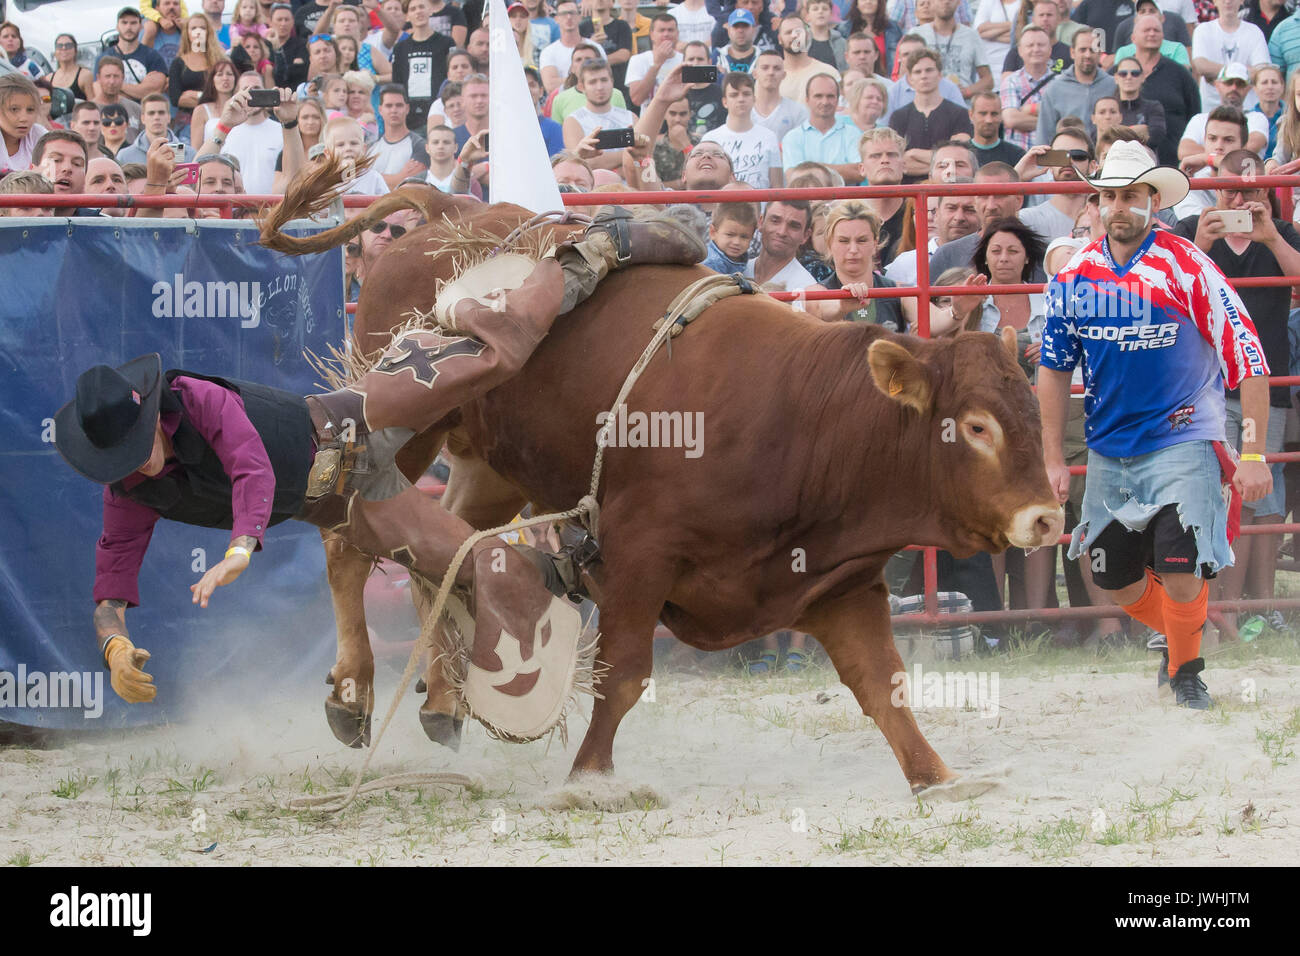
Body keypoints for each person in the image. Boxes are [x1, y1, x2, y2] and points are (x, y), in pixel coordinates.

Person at [55, 210, 706, 711]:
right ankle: (568, 570)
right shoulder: (129, 490)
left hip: (356, 421)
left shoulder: (193, 400)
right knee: (464, 563)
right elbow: (111, 577)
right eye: (120, 461)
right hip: (342, 502)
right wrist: (113, 645)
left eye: (136, 450)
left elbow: (251, 466)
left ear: (150, 419)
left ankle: (591, 251)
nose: (134, 468)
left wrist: (239, 545)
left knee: (491, 357)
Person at [1038, 140, 1272, 709]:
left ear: (1153, 200)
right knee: (1112, 574)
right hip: (1108, 447)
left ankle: (1187, 673)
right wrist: (1049, 457)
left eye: (1131, 196)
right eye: (1109, 196)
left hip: (1186, 438)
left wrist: (1256, 452)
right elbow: (1052, 367)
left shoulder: (1189, 265)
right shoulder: (1075, 277)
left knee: (1181, 564)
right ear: (1096, 203)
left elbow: (1248, 356)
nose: (1119, 207)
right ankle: (1179, 632)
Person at [1174, 148, 1300, 639]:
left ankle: (1260, 606)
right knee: (1215, 492)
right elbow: (1177, 292)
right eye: (1232, 189)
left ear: (1267, 192)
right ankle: (1221, 608)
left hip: (1263, 387)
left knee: (1262, 496)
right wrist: (1202, 244)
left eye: (1250, 189)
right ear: (1218, 192)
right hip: (1206, 384)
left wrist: (1270, 233)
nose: (1241, 198)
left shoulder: (1282, 233)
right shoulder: (1191, 232)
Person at [816, 199, 913, 331]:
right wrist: (841, 305)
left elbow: (935, 321)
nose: (853, 249)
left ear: (875, 244)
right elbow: (819, 308)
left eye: (861, 240)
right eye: (844, 241)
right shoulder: (815, 292)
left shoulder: (899, 290)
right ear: (829, 244)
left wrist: (952, 312)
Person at [1124, 10, 1202, 165]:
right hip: (1126, 162)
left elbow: (1195, 117)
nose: (1152, 34)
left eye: (1157, 30)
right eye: (1146, 30)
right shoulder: (1119, 73)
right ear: (1133, 38)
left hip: (1172, 162)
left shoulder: (1180, 74)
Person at [199, 78, 301, 195]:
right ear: (236, 94)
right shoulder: (219, 126)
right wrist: (224, 126)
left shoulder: (282, 129)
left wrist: (290, 123)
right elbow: (195, 174)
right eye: (246, 90)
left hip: (268, 209)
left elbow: (294, 179)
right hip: (231, 209)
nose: (252, 95)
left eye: (257, 89)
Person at [930, 160, 1031, 275]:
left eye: (1000, 196)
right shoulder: (947, 254)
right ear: (974, 202)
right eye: (983, 196)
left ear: (1019, 200)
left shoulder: (1041, 253)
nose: (991, 206)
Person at [889, 48, 975, 179]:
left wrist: (913, 154)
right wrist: (941, 163)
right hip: (909, 192)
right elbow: (898, 163)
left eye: (929, 70)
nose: (924, 76)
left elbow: (958, 157)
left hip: (947, 190)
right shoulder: (898, 117)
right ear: (910, 79)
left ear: (939, 75)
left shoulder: (959, 113)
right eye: (918, 72)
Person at [885, 183, 982, 283]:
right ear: (936, 214)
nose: (959, 217)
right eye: (951, 208)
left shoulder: (992, 256)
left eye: (969, 210)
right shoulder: (905, 263)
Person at [1036, 27, 1117, 145]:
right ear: (1072, 52)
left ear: (1099, 53)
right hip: (1069, 158)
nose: (1088, 55)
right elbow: (1044, 135)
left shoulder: (1113, 85)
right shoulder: (1055, 89)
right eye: (1082, 49)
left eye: (1092, 50)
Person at [700, 72, 783, 188]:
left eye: (746, 94)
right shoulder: (710, 139)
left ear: (754, 99)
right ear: (724, 101)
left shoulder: (769, 137)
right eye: (734, 95)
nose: (741, 99)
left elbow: (777, 185)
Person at [1016, 127, 1097, 239]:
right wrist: (1017, 176)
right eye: (1059, 156)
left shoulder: (1104, 218)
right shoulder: (1028, 220)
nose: (1068, 161)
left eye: (1078, 155)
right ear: (1050, 165)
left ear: (1092, 166)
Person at [782, 73, 864, 180]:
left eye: (830, 96)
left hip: (845, 197)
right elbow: (793, 177)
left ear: (837, 99)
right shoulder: (793, 137)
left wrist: (811, 168)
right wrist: (840, 170)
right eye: (818, 96)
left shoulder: (853, 133)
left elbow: (859, 172)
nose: (825, 102)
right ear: (807, 100)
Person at [1173, 105, 1249, 218]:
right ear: (1204, 141)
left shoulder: (1253, 180)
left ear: (1243, 147)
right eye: (1212, 139)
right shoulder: (1192, 185)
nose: (1219, 146)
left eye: (1228, 140)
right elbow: (1199, 226)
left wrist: (1208, 158)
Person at [1179, 64, 1270, 157]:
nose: (1234, 88)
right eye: (1229, 83)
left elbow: (1251, 146)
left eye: (1240, 84)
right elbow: (1184, 150)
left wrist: (1208, 157)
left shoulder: (1257, 118)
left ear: (1248, 88)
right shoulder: (1199, 119)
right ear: (1217, 85)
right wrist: (1218, 157)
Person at [1192, 0, 1269, 109]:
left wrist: (1217, 74)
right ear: (1214, 2)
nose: (1228, 1)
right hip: (1210, 109)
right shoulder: (1203, 30)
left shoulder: (1254, 32)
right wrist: (1243, 74)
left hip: (1247, 109)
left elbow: (1261, 72)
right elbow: (1201, 66)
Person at [391, 0, 456, 130]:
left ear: (431, 10)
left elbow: (452, 78)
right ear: (407, 16)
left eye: (422, 7)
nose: (418, 11)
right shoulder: (400, 48)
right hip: (410, 118)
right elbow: (397, 83)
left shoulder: (446, 43)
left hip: (439, 112)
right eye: (413, 9)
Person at [561, 59, 637, 171]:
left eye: (604, 80)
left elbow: (645, 157)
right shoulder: (573, 121)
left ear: (612, 82)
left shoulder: (631, 117)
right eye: (592, 82)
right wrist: (631, 153)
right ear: (582, 87)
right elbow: (584, 164)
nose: (600, 87)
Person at [915, 0, 994, 101]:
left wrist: (966, 92)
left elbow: (988, 80)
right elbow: (904, 76)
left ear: (959, 2)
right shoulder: (917, 34)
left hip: (961, 107)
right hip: (926, 106)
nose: (946, 2)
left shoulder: (971, 36)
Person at [1000, 25, 1060, 150]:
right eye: (1030, 45)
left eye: (1041, 45)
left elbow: (1065, 120)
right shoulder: (1011, 81)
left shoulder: (1060, 82)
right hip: (1019, 156)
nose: (1036, 49)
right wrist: (1050, 121)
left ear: (1050, 50)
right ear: (1020, 51)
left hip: (1053, 156)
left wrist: (1027, 110)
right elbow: (1011, 119)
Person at [746, 199, 824, 291]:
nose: (782, 232)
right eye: (775, 221)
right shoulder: (736, 270)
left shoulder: (805, 287)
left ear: (805, 235)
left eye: (793, 226)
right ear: (761, 222)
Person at [857, 126, 910, 261]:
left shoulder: (917, 210)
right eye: (876, 156)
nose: (885, 160)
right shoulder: (850, 213)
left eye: (891, 154)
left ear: (903, 165)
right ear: (862, 168)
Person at [97, 8, 169, 103]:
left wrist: (117, 86)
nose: (128, 27)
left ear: (141, 26)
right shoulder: (103, 58)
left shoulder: (153, 56)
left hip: (145, 115)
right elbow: (99, 94)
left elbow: (153, 92)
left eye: (133, 23)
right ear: (117, 26)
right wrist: (140, 89)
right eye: (124, 23)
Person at [169, 14, 224, 127]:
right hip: (186, 124)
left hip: (216, 119)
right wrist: (210, 99)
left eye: (202, 28)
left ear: (208, 32)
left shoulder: (221, 61)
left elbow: (224, 95)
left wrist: (198, 95)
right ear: (187, 33)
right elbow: (176, 99)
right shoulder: (178, 63)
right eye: (193, 28)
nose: (198, 32)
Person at [371, 85, 430, 188]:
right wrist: (400, 176)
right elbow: (361, 180)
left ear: (407, 108)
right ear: (380, 110)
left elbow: (410, 184)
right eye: (389, 106)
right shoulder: (370, 147)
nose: (394, 110)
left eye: (399, 105)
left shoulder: (420, 146)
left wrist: (373, 177)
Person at [541, 0, 605, 93]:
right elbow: (550, 86)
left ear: (579, 17)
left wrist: (566, 80)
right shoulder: (548, 52)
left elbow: (605, 78)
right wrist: (589, 77)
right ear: (556, 19)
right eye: (563, 14)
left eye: (572, 13)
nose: (569, 17)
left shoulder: (595, 47)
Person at [777, 16, 841, 104]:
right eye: (788, 32)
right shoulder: (771, 75)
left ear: (807, 35)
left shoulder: (828, 72)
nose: (794, 36)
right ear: (780, 39)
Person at [118, 93, 197, 164]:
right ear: (142, 118)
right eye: (151, 113)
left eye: (161, 113)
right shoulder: (124, 156)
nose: (156, 117)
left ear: (169, 117)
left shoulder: (189, 154)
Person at [751, 49, 809, 142]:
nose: (771, 73)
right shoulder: (742, 110)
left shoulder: (797, 111)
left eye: (777, 68)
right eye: (765, 68)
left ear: (784, 75)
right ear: (755, 74)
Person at [627, 14, 683, 107]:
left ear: (677, 34)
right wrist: (657, 64)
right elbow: (637, 99)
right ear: (652, 34)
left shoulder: (685, 59)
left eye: (670, 30)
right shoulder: (638, 60)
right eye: (661, 30)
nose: (666, 34)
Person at [1002, 0, 1072, 75]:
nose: (1045, 19)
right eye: (1041, 15)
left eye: (1049, 15)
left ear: (1058, 19)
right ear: (1033, 20)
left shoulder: (1069, 54)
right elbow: (1007, 82)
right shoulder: (1017, 53)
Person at [580, 0, 634, 95]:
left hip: (618, 86)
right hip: (589, 87)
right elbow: (578, 55)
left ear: (612, 3)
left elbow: (624, 55)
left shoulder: (622, 26)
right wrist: (591, 43)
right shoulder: (581, 27)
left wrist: (595, 62)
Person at [1113, 54, 1168, 143]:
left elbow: (1157, 134)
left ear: (1142, 77)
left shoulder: (1153, 107)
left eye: (1135, 73)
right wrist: (1141, 130)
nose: (1129, 77)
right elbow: (1102, 137)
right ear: (1116, 78)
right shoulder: (1110, 108)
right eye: (1123, 74)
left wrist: (1118, 133)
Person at [680, 41, 727, 139]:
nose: (696, 63)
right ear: (683, 62)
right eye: (691, 59)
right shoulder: (677, 95)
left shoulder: (722, 94)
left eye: (700, 59)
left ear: (709, 62)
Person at [190, 58, 237, 151]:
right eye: (220, 74)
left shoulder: (241, 109)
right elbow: (195, 149)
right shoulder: (201, 110)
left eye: (229, 74)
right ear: (212, 80)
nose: (225, 78)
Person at [703, 197, 759, 274]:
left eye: (744, 237)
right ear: (713, 232)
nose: (737, 242)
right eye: (730, 235)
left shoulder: (741, 258)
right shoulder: (712, 264)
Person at [93, 57, 145, 133]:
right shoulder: (88, 110)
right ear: (98, 78)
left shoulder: (136, 109)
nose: (112, 81)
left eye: (116, 76)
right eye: (107, 76)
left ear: (123, 78)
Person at [268, 2, 310, 89]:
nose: (283, 24)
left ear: (292, 22)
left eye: (286, 20)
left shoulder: (303, 44)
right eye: (279, 19)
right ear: (270, 22)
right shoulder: (264, 46)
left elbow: (298, 74)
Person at [49, 34, 95, 102]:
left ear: (75, 50)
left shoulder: (85, 76)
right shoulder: (48, 78)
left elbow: (92, 105)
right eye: (59, 46)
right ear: (55, 52)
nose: (64, 48)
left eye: (68, 46)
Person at [1253, 62, 1285, 159]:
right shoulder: (1247, 117)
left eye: (1274, 82)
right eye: (1264, 82)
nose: (1270, 87)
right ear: (1255, 88)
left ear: (1282, 86)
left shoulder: (1293, 115)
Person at [716, 8, 761, 75]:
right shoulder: (717, 56)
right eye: (736, 26)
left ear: (754, 30)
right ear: (729, 31)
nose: (740, 30)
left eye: (745, 26)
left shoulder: (763, 56)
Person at [804, 0, 848, 69]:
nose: (820, 12)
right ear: (808, 15)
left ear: (831, 14)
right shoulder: (801, 40)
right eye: (815, 9)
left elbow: (845, 68)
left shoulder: (841, 43)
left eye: (825, 9)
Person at [143, 0, 185, 67]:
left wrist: (188, 30)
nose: (172, 7)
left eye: (176, 4)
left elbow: (202, 50)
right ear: (157, 8)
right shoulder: (146, 32)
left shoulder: (191, 32)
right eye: (167, 3)